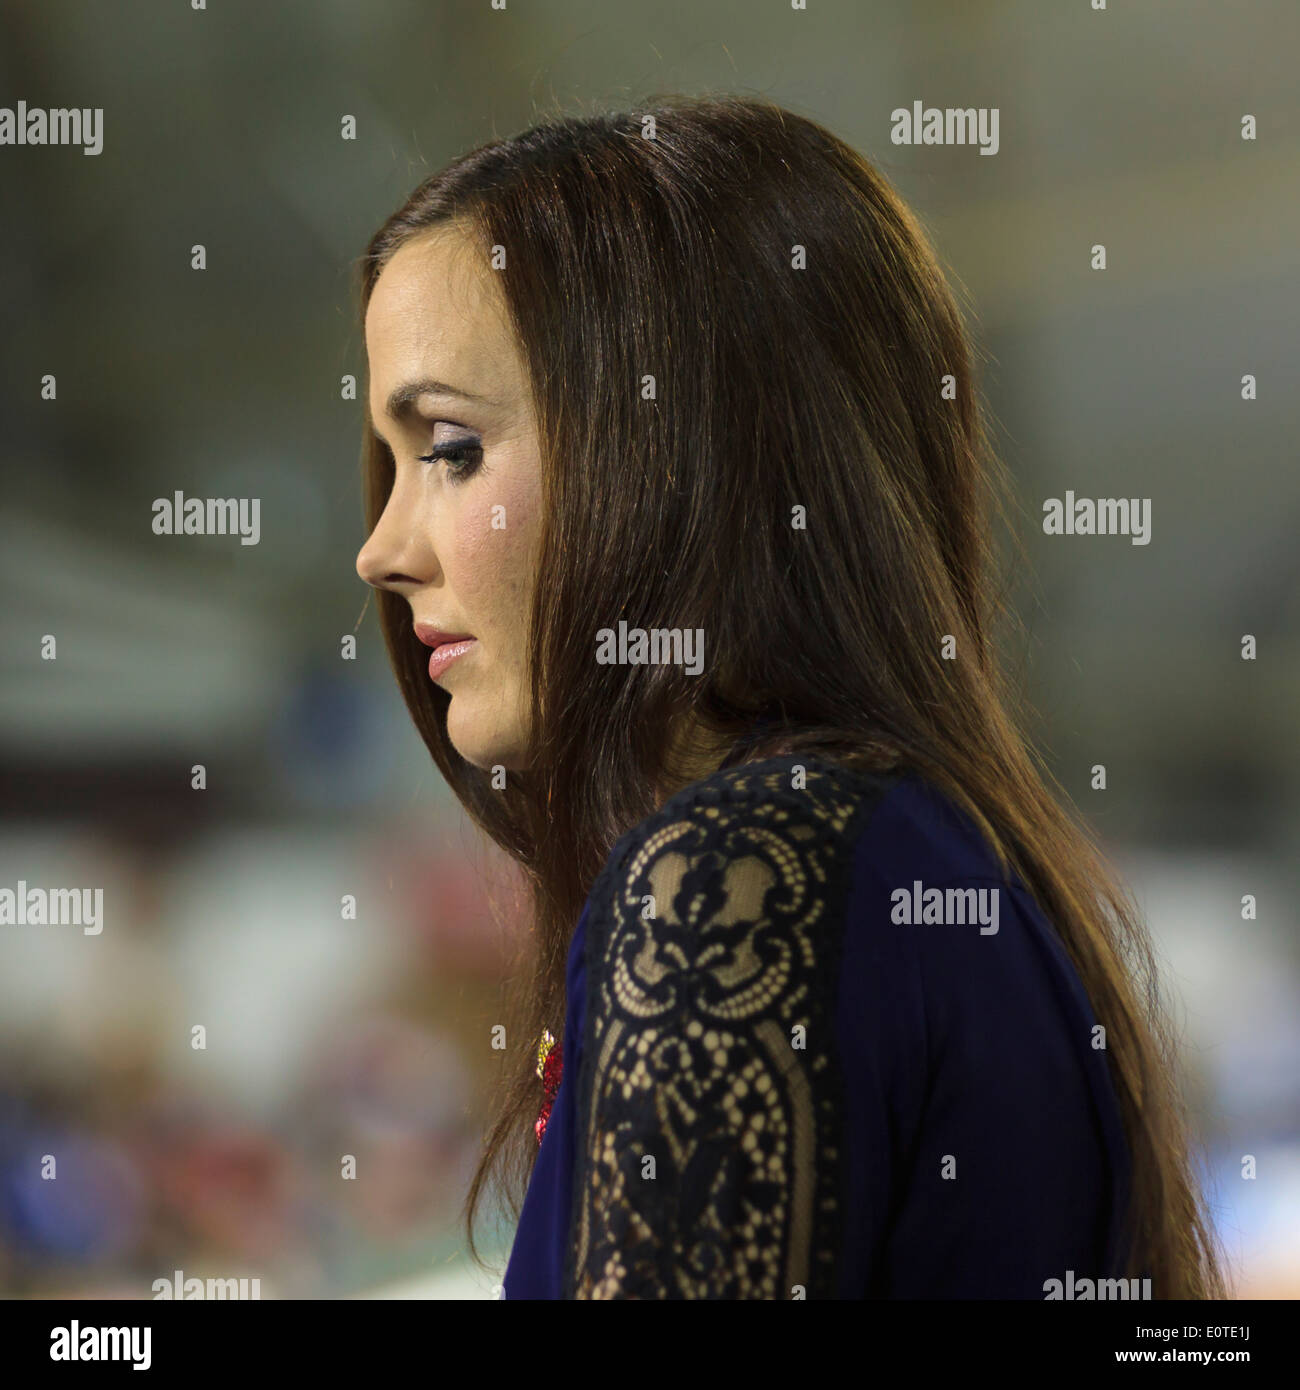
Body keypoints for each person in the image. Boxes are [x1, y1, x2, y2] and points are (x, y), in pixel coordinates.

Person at [353, 95, 1224, 1299]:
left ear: (675, 449)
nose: (383, 548)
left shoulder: (736, 878)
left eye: (449, 449)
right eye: (391, 466)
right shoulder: (932, 864)